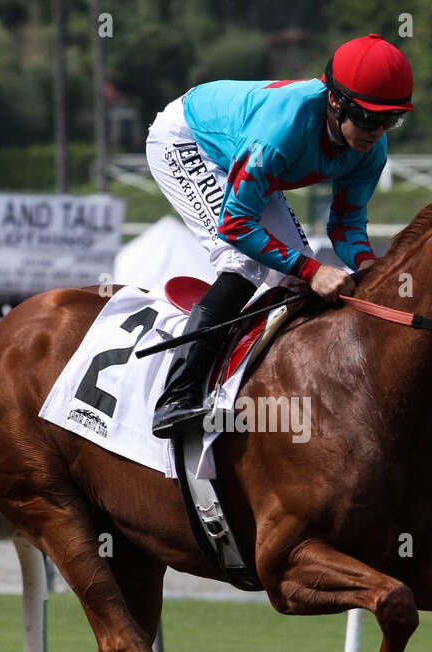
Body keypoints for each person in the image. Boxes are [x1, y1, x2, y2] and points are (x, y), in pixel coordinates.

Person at [144, 33, 413, 436]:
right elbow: (236, 225)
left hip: (246, 155)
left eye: (389, 119)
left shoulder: (371, 149)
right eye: (369, 118)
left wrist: (369, 266)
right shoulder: (282, 130)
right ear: (336, 101)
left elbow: (346, 225)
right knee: (244, 262)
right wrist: (312, 269)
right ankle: (177, 396)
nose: (376, 132)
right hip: (189, 140)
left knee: (292, 280)